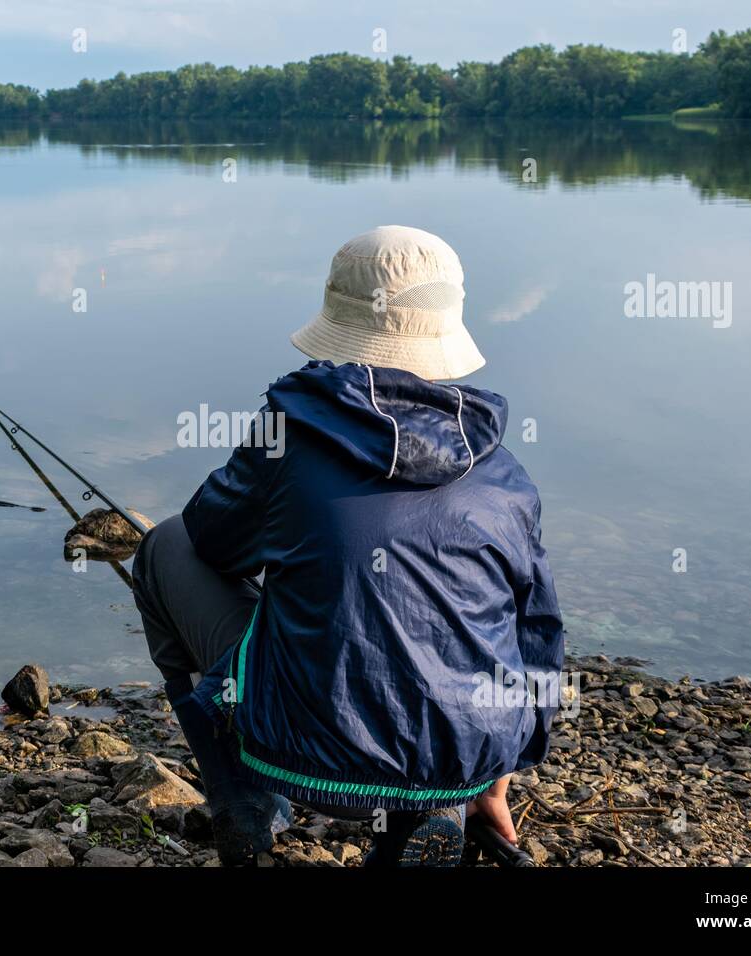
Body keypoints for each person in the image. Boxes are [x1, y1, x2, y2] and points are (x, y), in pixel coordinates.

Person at [132, 225, 564, 867]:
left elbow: (212, 541)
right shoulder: (505, 476)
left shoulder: (289, 438)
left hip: (303, 753)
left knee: (164, 545)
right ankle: (430, 814)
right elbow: (535, 637)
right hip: (459, 760)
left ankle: (247, 801)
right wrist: (497, 771)